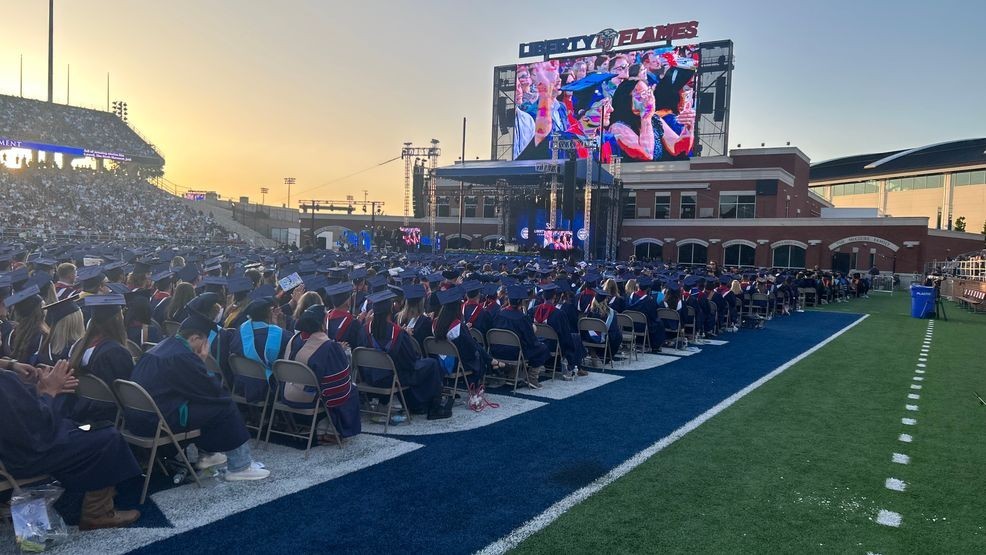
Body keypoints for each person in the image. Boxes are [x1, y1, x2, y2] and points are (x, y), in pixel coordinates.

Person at [129, 298, 270, 481]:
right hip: (160, 420)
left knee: (202, 403)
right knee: (225, 404)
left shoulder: (163, 347)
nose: (204, 348)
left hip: (140, 417)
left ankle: (208, 455)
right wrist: (201, 361)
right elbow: (211, 390)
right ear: (194, 338)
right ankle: (240, 466)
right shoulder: (182, 356)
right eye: (203, 343)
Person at [0, 360, 142, 529]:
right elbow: (37, 433)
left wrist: (17, 373)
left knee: (81, 425)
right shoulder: (4, 383)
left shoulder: (7, 380)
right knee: (108, 437)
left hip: (10, 452)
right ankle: (97, 513)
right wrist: (49, 391)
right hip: (22, 458)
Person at [357, 290, 444, 417]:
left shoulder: (364, 330)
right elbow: (410, 361)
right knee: (431, 364)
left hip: (369, 377)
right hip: (392, 379)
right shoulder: (397, 333)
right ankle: (425, 405)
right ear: (390, 310)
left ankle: (389, 402)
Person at [284, 304, 361, 438]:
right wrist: (340, 351)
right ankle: (332, 429)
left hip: (286, 394)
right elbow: (337, 383)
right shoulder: (328, 346)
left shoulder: (293, 339)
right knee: (351, 389)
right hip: (309, 399)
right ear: (322, 322)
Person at [64, 294, 135, 423]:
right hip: (109, 415)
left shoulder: (79, 345)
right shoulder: (115, 352)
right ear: (118, 319)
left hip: (82, 409)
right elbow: (124, 394)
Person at [228, 296, 288, 403]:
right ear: (269, 313)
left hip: (242, 385)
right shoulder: (281, 334)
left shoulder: (239, 332)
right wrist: (281, 327)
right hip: (270, 388)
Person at [489, 285, 550, 389]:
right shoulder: (522, 318)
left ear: (508, 300)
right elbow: (530, 340)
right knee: (542, 348)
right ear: (521, 302)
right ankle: (532, 378)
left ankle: (511, 375)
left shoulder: (498, 314)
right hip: (515, 353)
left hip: (496, 351)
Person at [532, 283, 586, 379]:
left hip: (536, 342)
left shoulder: (533, 310)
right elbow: (565, 336)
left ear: (543, 296)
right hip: (553, 345)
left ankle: (551, 365)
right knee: (575, 338)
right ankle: (575, 366)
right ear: (554, 296)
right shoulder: (558, 314)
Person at [624, 277, 665, 353]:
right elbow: (653, 316)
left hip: (629, 325)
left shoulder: (628, 298)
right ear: (647, 289)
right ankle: (655, 346)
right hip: (642, 327)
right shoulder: (649, 300)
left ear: (638, 286)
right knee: (659, 323)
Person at [583, 290, 622, 361]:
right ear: (605, 300)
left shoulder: (589, 311)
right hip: (605, 341)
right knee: (618, 335)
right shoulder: (610, 313)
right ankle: (606, 357)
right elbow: (613, 331)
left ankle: (593, 352)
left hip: (588, 339)